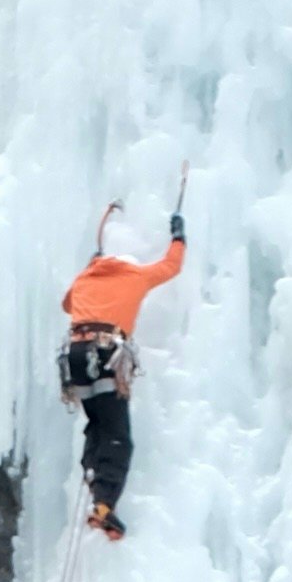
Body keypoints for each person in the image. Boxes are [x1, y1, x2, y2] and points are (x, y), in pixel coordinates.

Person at [59, 203, 185, 540]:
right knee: (117, 433)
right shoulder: (135, 275)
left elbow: (68, 305)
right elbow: (172, 267)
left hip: (74, 357)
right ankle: (104, 506)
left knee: (97, 421)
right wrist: (178, 236)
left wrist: (91, 268)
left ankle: (91, 472)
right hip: (105, 353)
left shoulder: (85, 277)